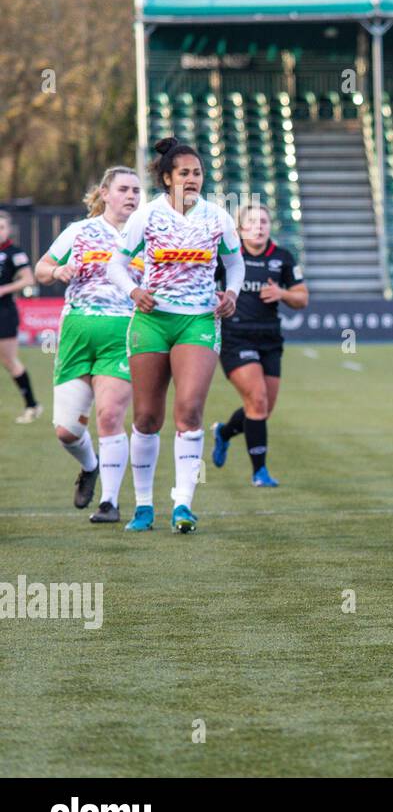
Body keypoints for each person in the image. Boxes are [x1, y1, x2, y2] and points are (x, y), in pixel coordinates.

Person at [107, 137, 244, 534]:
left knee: (189, 410)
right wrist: (133, 291)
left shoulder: (217, 217)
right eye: (184, 173)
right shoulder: (146, 216)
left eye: (197, 173)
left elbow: (235, 266)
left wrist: (231, 293)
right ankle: (144, 506)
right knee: (147, 416)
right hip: (151, 321)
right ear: (167, 178)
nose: (192, 179)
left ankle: (183, 504)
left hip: (198, 320)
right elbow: (116, 265)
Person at [34, 167, 143, 521]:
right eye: (124, 189)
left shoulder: (147, 235)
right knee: (67, 431)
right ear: (105, 194)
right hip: (78, 332)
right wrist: (57, 272)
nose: (131, 196)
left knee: (110, 415)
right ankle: (90, 466)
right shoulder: (79, 232)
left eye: (137, 191)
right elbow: (41, 268)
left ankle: (109, 502)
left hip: (123, 331)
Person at [211, 203, 309, 486]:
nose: (258, 226)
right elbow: (205, 283)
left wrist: (281, 293)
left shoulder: (282, 258)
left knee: (263, 408)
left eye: (264, 221)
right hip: (235, 337)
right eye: (252, 222)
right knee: (257, 400)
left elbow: (302, 298)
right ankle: (259, 472)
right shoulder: (228, 257)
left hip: (269, 338)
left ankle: (225, 432)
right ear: (240, 229)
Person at [0, 211, 41, 423]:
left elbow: (28, 279)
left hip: (4, 313)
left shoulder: (14, 253)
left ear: (8, 230)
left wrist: (5, 289)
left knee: (9, 360)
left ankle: (32, 405)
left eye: (2, 227)